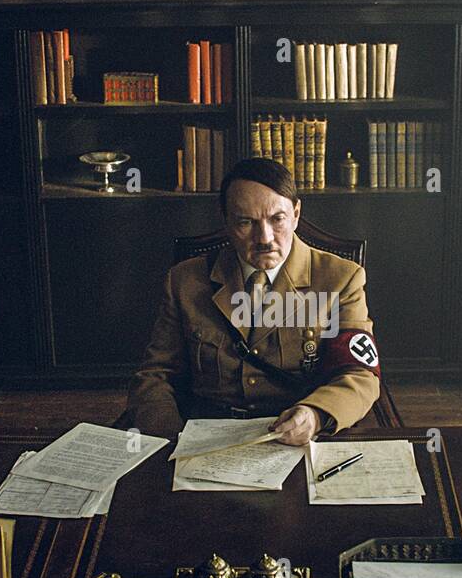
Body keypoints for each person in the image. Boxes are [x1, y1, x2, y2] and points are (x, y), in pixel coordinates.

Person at [126, 157, 381, 445]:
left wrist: (316, 415)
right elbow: (156, 375)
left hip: (296, 438)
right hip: (205, 437)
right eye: (246, 222)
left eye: (277, 219)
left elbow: (359, 374)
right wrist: (169, 440)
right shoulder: (185, 281)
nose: (264, 238)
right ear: (226, 221)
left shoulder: (339, 280)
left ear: (296, 214)